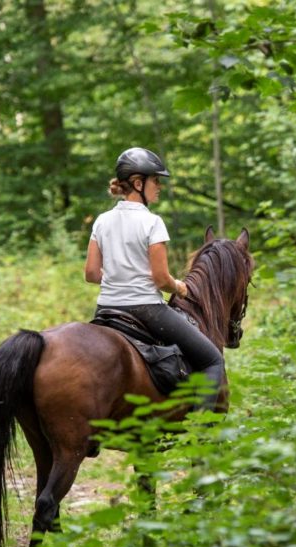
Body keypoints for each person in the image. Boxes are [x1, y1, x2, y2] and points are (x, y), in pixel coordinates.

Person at [84, 147, 224, 410]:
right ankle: (203, 431)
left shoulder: (101, 221)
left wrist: (119, 278)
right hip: (147, 310)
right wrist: (180, 287)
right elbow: (161, 280)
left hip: (106, 309)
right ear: (138, 183)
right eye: (155, 180)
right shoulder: (152, 222)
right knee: (212, 359)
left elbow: (91, 273)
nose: (158, 186)